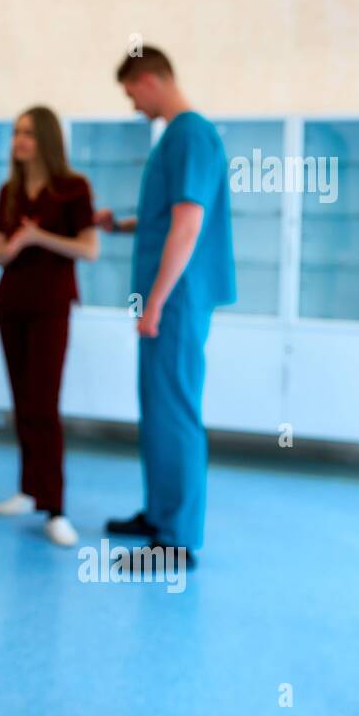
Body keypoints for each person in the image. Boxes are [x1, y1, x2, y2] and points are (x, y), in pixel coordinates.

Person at [93, 46, 236, 568]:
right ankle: (159, 514)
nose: (132, 102)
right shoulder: (176, 136)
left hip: (177, 299)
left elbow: (189, 222)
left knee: (174, 411)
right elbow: (166, 217)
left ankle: (178, 540)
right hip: (171, 298)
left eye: (131, 90)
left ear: (149, 78)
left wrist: (154, 302)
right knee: (157, 409)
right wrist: (123, 224)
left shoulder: (191, 132)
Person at [0, 107, 99, 546]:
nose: (20, 140)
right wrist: (17, 243)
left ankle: (54, 508)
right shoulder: (9, 191)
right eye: (16, 132)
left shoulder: (74, 188)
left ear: (47, 140)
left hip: (51, 306)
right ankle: (28, 488)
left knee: (44, 402)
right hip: (11, 302)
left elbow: (88, 249)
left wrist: (38, 238)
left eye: (29, 133)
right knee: (21, 399)